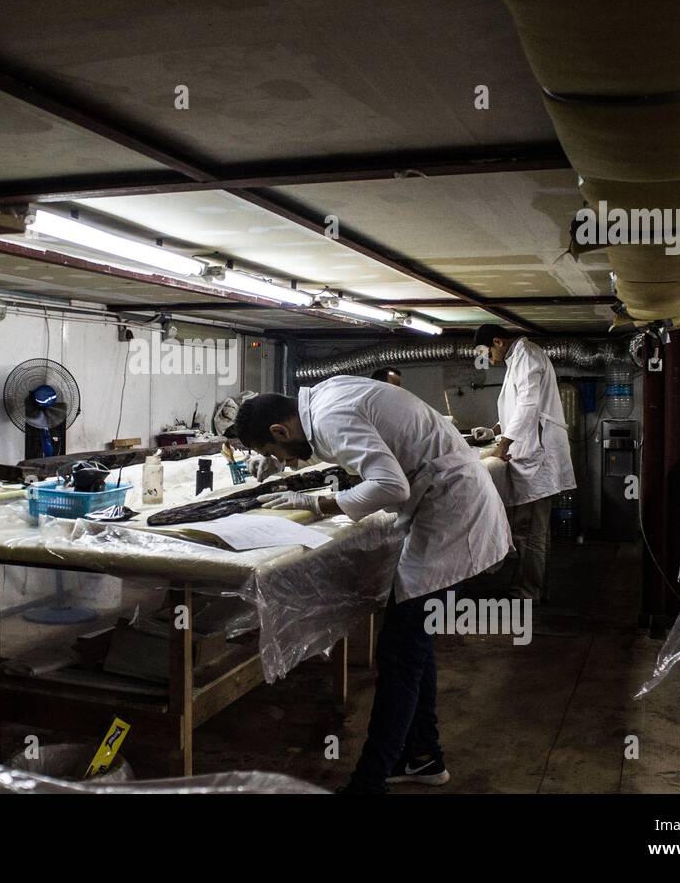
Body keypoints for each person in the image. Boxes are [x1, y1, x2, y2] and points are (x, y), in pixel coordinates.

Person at [229, 377, 510, 794]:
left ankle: (370, 782)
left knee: (401, 655)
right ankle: (423, 756)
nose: (287, 464)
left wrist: (320, 503)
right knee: (413, 643)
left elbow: (389, 485)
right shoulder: (327, 395)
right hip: (444, 501)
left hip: (452, 510)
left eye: (277, 454)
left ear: (280, 431)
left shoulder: (329, 417)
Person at [471, 325, 576, 602]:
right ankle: (528, 586)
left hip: (537, 455)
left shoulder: (527, 356)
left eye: (488, 352)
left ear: (498, 341)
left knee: (533, 530)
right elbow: (518, 406)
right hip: (529, 451)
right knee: (528, 528)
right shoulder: (519, 357)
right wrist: (495, 431)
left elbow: (529, 406)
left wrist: (503, 445)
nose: (490, 359)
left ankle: (529, 592)